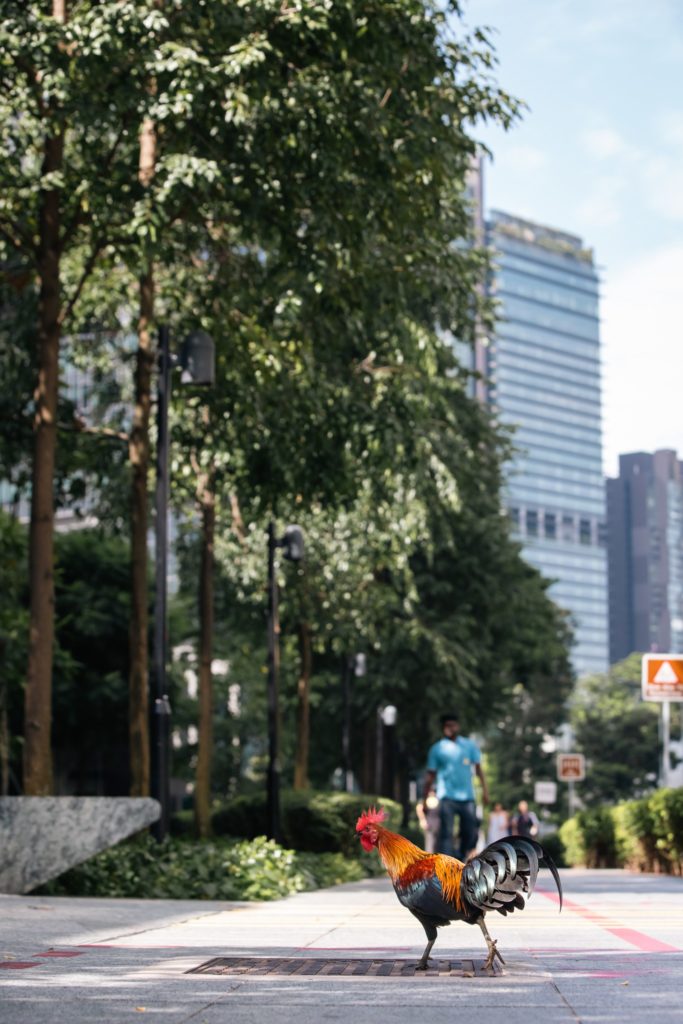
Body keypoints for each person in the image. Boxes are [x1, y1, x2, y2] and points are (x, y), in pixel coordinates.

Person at [423, 712, 489, 860]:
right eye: (447, 725)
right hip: (446, 797)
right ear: (443, 728)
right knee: (446, 833)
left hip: (467, 797)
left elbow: (479, 770)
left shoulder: (469, 746)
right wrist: (424, 800)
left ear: (457, 726)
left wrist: (485, 792)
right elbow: (430, 776)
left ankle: (461, 856)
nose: (450, 728)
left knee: (470, 831)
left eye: (452, 725)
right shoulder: (437, 749)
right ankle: (448, 867)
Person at [416, 788, 441, 853]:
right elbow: (419, 809)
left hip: (438, 824)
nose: (432, 793)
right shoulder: (425, 800)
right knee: (430, 844)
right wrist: (422, 820)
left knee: (438, 844)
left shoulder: (438, 800)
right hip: (429, 824)